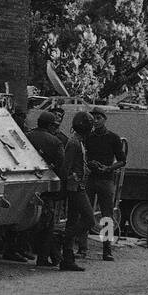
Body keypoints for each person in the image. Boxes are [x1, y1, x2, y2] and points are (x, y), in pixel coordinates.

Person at [83, 107, 127, 262]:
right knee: (85, 212)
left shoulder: (113, 138)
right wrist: (89, 164)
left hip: (106, 179)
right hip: (90, 179)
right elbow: (83, 156)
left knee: (107, 216)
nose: (95, 120)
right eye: (93, 117)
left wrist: (108, 168)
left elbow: (122, 160)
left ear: (104, 119)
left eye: (98, 117)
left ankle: (107, 250)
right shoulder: (87, 137)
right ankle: (82, 248)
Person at [58, 112, 97, 272]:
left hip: (76, 186)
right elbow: (66, 168)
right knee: (89, 220)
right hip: (76, 188)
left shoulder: (77, 141)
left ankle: (67, 258)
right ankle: (62, 237)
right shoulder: (74, 143)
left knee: (72, 221)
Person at [27, 111, 66, 268]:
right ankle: (44, 257)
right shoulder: (55, 142)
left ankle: (15, 249)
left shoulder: (26, 136)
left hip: (25, 183)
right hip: (46, 188)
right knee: (47, 226)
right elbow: (62, 167)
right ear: (50, 125)